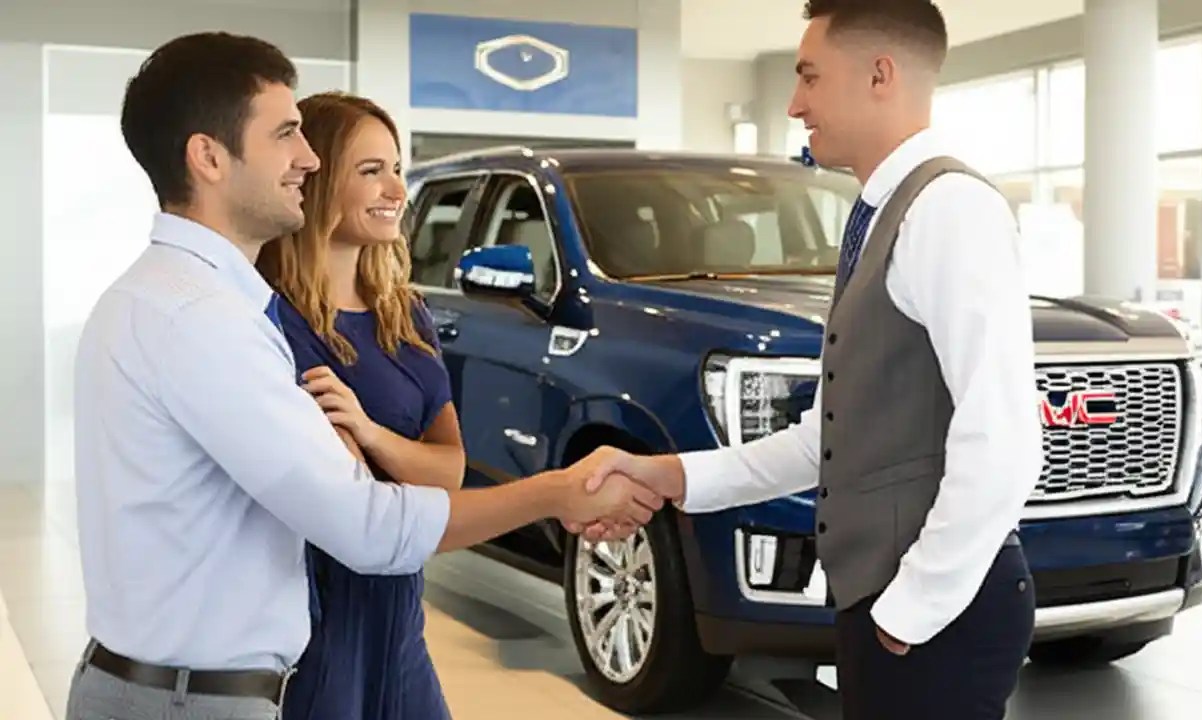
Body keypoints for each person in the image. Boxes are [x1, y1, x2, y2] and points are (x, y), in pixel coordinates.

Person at [69, 31, 659, 720]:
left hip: (196, 687)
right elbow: (368, 527)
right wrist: (554, 494)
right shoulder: (204, 320)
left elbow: (424, 476)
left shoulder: (174, 299)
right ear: (208, 157)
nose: (307, 159)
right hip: (192, 699)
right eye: (286, 133)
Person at [565, 1, 1043, 718]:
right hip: (891, 610)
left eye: (810, 78)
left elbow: (1003, 438)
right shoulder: (879, 214)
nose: (795, 104)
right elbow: (829, 442)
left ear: (880, 74)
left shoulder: (948, 211)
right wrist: (669, 476)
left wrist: (908, 610)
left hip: (934, 620)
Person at [254, 91, 458, 720]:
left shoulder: (406, 313)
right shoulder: (274, 321)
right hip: (321, 625)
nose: (396, 188)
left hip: (400, 622)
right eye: (370, 171)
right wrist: (395, 458)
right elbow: (352, 499)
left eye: (396, 168)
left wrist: (370, 433)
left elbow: (450, 471)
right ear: (316, 183)